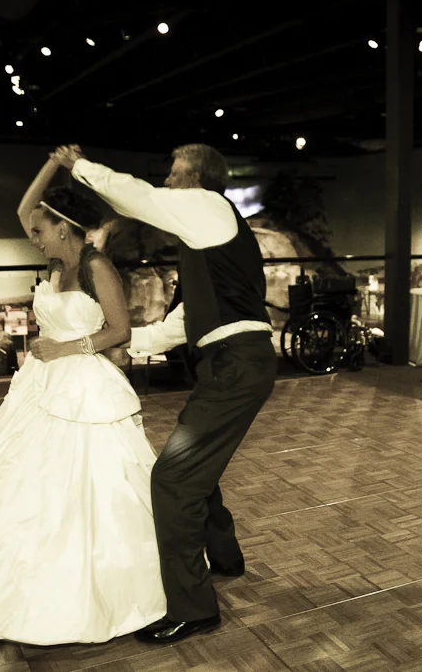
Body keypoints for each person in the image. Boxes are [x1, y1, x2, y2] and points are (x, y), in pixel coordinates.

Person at [0, 158, 166, 644]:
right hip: (40, 385)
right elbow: (25, 207)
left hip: (84, 385)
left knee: (95, 484)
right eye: (34, 231)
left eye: (40, 230)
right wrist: (53, 164)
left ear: (65, 228)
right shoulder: (56, 265)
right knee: (19, 479)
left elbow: (120, 330)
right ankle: (9, 583)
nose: (34, 236)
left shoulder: (96, 267)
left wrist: (68, 347)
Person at [50, 143, 277, 645]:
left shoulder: (209, 207)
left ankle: (194, 609)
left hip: (235, 366)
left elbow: (137, 196)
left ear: (196, 179)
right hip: (232, 364)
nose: (168, 184)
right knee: (193, 471)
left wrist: (79, 167)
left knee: (172, 480)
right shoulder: (206, 236)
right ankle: (225, 557)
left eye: (175, 174)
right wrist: (131, 343)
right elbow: (185, 321)